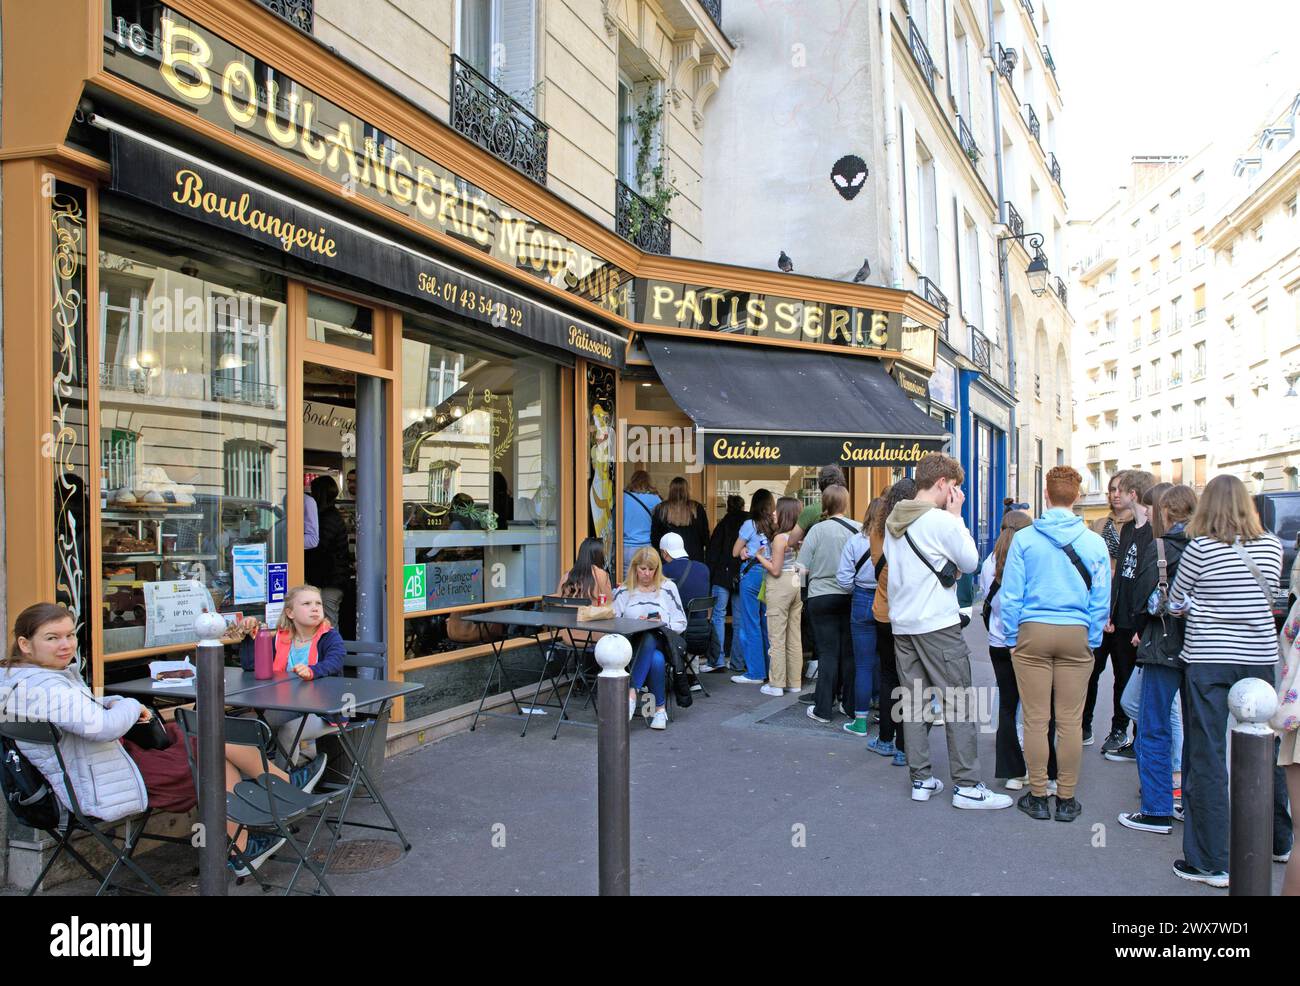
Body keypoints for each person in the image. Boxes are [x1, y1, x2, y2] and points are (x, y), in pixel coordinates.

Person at [1, 603, 324, 877]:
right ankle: (270, 807)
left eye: (70, 635)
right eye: (52, 638)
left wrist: (114, 703)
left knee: (196, 735)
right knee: (207, 748)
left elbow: (85, 717)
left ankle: (266, 807)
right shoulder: (46, 687)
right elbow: (101, 728)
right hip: (103, 784)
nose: (66, 645)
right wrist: (127, 704)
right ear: (25, 644)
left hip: (98, 766)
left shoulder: (22, 680)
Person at [1168, 474, 1283, 887]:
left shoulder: (1200, 548)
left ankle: (1210, 859)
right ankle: (1277, 839)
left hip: (1210, 659)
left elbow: (1176, 600)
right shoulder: (1271, 546)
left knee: (1208, 755)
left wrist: (1200, 604)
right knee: (1264, 750)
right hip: (1259, 659)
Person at [884, 452, 1011, 809]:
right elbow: (970, 562)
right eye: (954, 488)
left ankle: (921, 779)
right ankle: (968, 785)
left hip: (903, 624)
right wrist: (956, 518)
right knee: (959, 702)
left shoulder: (895, 520)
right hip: (937, 624)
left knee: (913, 703)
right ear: (942, 483)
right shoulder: (940, 522)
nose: (955, 494)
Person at [999, 466, 1111, 823]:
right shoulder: (1094, 543)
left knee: (1034, 719)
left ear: (1046, 495)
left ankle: (1036, 794)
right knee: (1070, 721)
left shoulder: (1026, 539)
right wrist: (1091, 638)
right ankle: (1066, 798)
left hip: (1033, 629)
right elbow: (1101, 599)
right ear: (1076, 497)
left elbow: (1011, 595)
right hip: (1076, 631)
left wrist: (1013, 636)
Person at [1118, 484, 1196, 835]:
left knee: (1153, 727)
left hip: (1162, 643)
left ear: (1166, 512)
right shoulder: (1208, 545)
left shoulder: (1161, 546)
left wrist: (1137, 625)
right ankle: (1188, 802)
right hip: (1200, 648)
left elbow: (1141, 600)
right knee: (1198, 731)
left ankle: (1156, 809)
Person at [234, 584, 344, 763]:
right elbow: (251, 666)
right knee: (246, 726)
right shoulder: (280, 638)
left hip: (325, 710)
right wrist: (248, 636)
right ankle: (265, 775)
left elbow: (335, 661)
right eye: (306, 604)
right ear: (290, 613)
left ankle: (287, 783)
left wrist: (313, 671)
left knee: (286, 731)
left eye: (318, 603)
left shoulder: (330, 636)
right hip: (287, 705)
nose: (315, 608)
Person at [1098, 469, 1154, 757]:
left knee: (1134, 681)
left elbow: (1150, 581)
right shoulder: (1130, 529)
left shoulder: (1153, 532)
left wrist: (1140, 626)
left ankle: (1138, 739)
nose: (1116, 494)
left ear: (1134, 494)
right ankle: (1121, 733)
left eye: (1122, 489)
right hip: (1118, 618)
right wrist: (1110, 611)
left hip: (1137, 621)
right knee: (1121, 678)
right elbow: (1121, 576)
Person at [978, 509, 1036, 786]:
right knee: (1030, 701)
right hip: (1022, 640)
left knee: (1007, 702)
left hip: (996, 641)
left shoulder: (990, 561)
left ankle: (1012, 770)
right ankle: (1027, 754)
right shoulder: (1027, 558)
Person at [1083, 472, 1135, 745]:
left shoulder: (1140, 527)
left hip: (1125, 612)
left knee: (1124, 676)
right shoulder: (1100, 524)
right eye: (1112, 489)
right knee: (1091, 670)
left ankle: (1119, 729)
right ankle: (1084, 724)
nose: (1115, 494)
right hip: (1101, 608)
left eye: (1121, 489)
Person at [867, 478, 916, 766]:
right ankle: (903, 745)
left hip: (883, 611)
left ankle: (886, 739)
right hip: (909, 614)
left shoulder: (878, 529)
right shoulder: (916, 529)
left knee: (888, 677)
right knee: (909, 680)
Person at [613, 547, 688, 730]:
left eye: (651, 569)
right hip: (633, 644)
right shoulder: (624, 590)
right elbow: (613, 623)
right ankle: (660, 710)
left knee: (652, 632)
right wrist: (633, 624)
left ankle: (632, 692)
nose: (646, 574)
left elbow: (681, 622)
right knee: (655, 657)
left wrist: (663, 623)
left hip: (664, 641)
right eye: (642, 569)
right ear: (635, 568)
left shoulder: (668, 587)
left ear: (657, 570)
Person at [803, 485, 860, 724]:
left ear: (825, 504)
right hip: (850, 595)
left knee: (827, 652)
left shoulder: (817, 530)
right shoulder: (858, 529)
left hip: (821, 595)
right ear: (845, 503)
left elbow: (802, 566)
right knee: (848, 653)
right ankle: (849, 705)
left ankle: (823, 708)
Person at [837, 497, 884, 736]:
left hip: (861, 599)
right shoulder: (891, 542)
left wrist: (856, 589)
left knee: (863, 664)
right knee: (886, 662)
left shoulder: (854, 542)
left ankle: (860, 721)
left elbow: (843, 579)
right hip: (886, 601)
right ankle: (884, 712)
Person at [756, 497, 804, 697]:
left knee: (776, 636)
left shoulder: (779, 538)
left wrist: (758, 557)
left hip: (780, 585)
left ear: (785, 513)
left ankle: (776, 684)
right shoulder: (799, 537)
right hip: (796, 582)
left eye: (777, 510)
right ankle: (794, 682)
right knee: (794, 636)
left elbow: (775, 570)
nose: (773, 513)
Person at [732, 489, 775, 685]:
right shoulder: (774, 525)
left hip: (752, 574)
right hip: (770, 574)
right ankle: (770, 670)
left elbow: (734, 551)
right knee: (767, 623)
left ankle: (755, 673)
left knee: (751, 622)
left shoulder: (750, 524)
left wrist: (743, 550)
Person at [704, 494, 747, 672]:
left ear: (728, 507)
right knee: (740, 619)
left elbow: (712, 553)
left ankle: (718, 660)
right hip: (742, 575)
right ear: (743, 506)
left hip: (722, 575)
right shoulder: (749, 523)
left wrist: (710, 577)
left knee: (718, 616)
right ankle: (737, 661)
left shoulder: (722, 525)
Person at [305, 475, 352, 628]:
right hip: (333, 578)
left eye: (313, 491)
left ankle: (333, 652)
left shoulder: (327, 517)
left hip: (330, 580)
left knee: (328, 623)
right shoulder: (330, 516)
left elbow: (319, 547)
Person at [651, 477, 710, 563]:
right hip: (693, 557)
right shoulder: (697, 508)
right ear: (687, 490)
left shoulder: (661, 509)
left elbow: (655, 537)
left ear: (670, 490)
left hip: (668, 558)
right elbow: (704, 535)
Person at [622, 471, 662, 575]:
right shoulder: (655, 499)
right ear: (648, 482)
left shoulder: (622, 497)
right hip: (646, 547)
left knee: (627, 584)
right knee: (645, 582)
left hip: (625, 547)